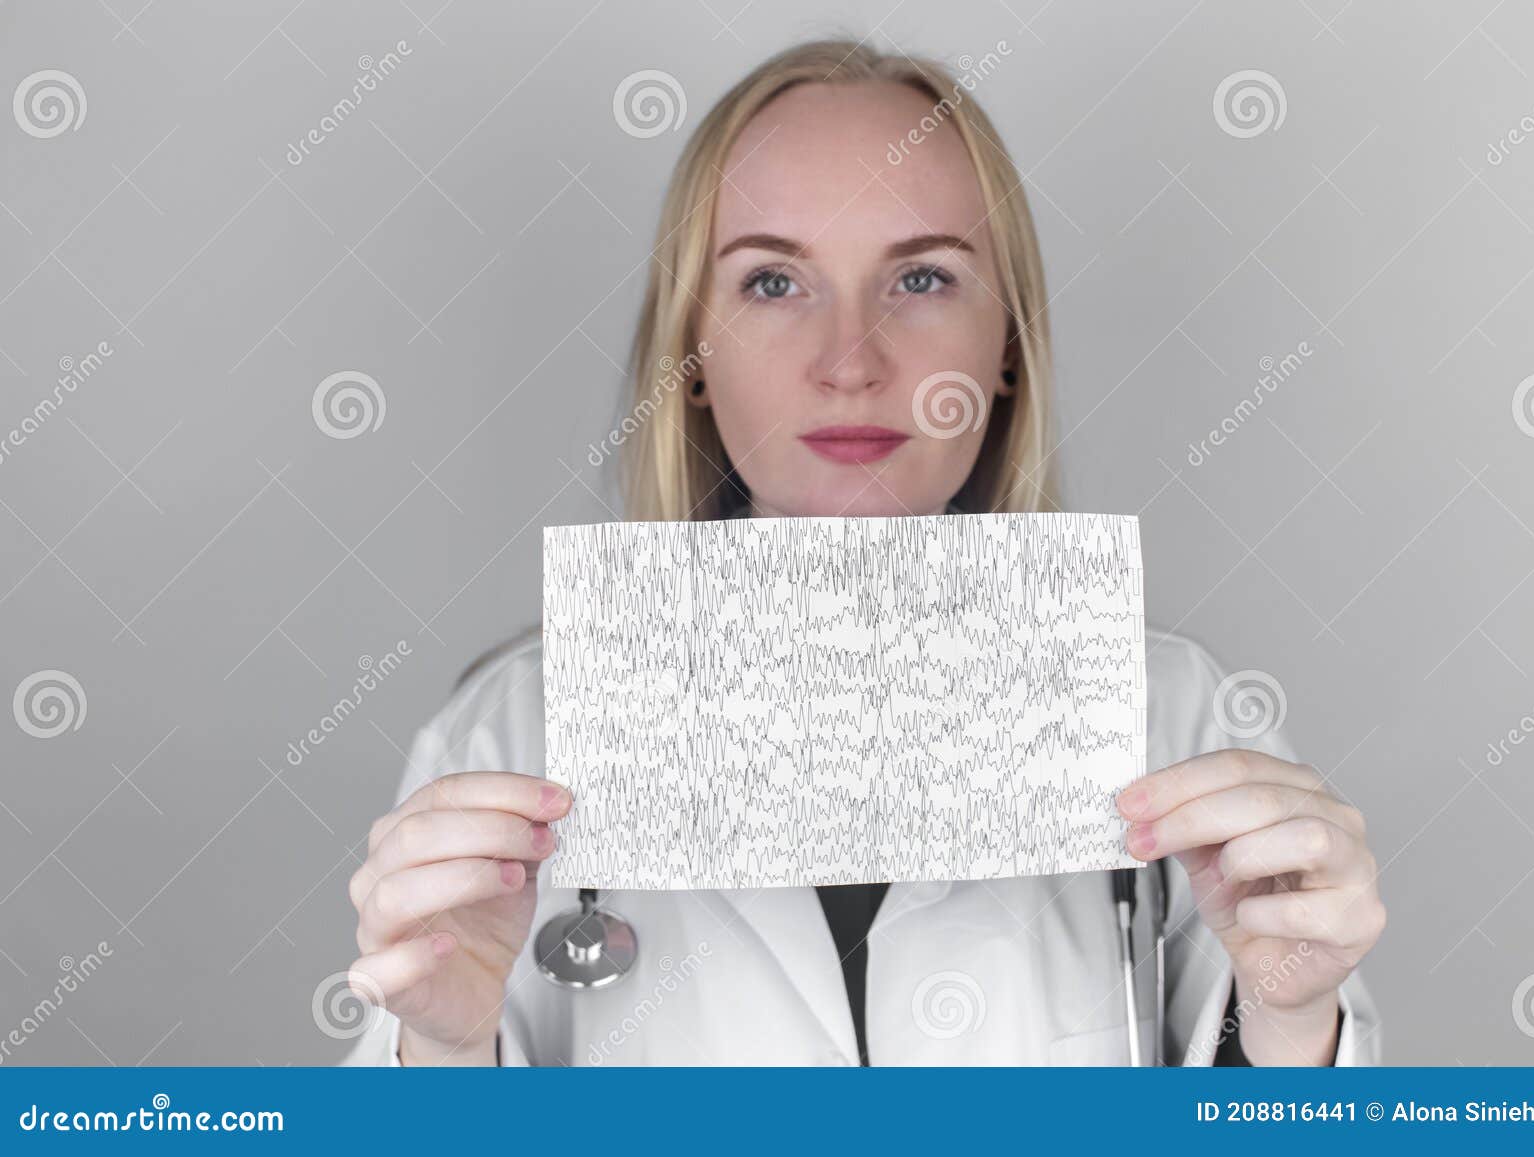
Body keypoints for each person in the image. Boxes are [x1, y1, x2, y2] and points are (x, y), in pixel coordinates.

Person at [340, 39, 1383, 1067]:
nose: (850, 360)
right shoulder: (508, 736)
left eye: (922, 277)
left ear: (1008, 348)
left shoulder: (1173, 717)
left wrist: (1289, 1022)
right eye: (772, 283)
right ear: (691, 358)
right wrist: (443, 1051)